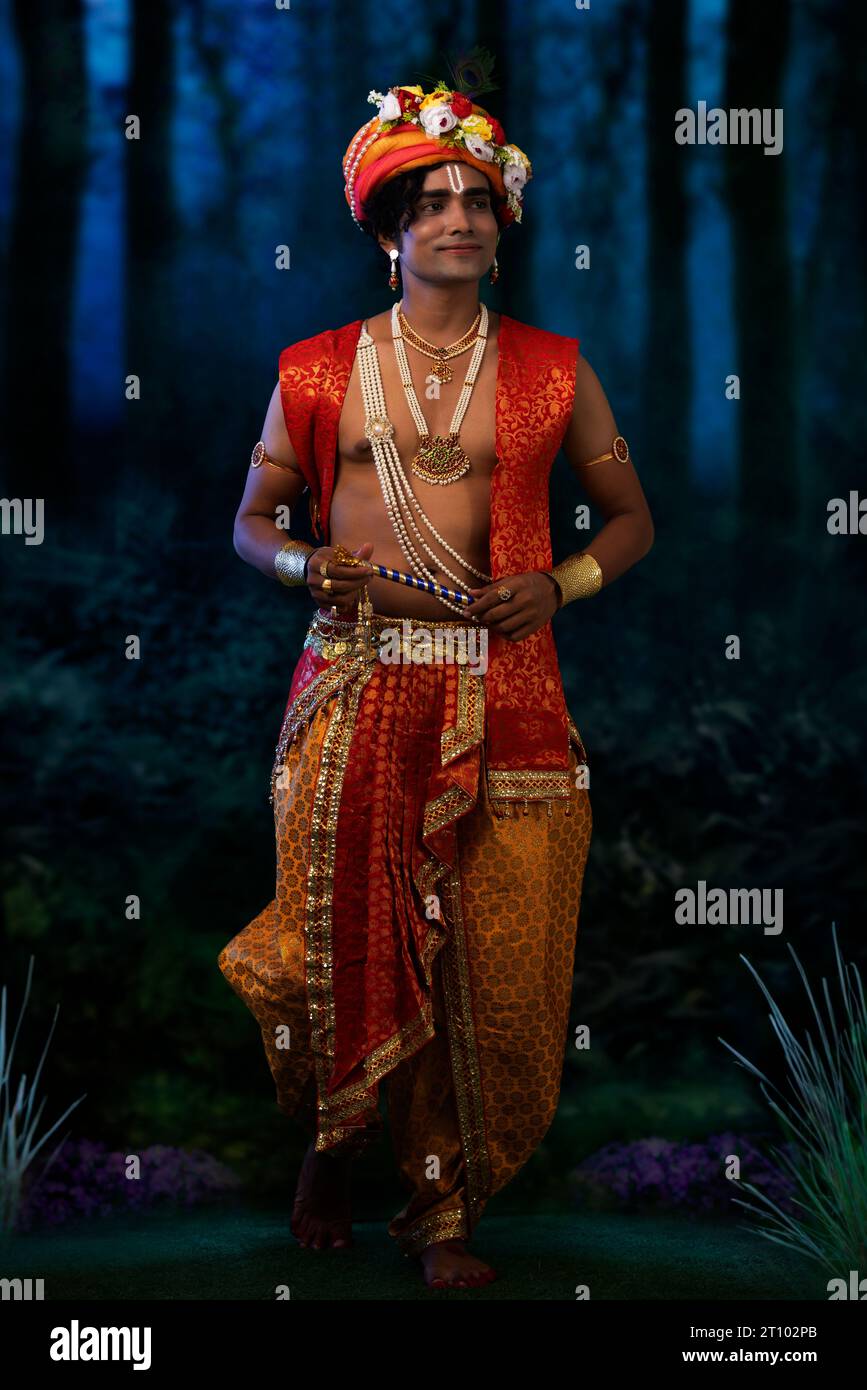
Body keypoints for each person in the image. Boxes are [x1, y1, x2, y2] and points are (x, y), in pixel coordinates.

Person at [218, 73, 654, 1292]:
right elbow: (251, 522)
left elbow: (629, 519)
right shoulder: (315, 373)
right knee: (345, 938)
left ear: (504, 228)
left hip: (506, 684)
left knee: (479, 956)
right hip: (355, 684)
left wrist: (562, 586)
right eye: (430, 203)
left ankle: (439, 1209)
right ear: (388, 230)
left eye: (476, 200)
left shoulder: (555, 370)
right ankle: (330, 1144)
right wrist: (310, 561)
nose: (457, 218)